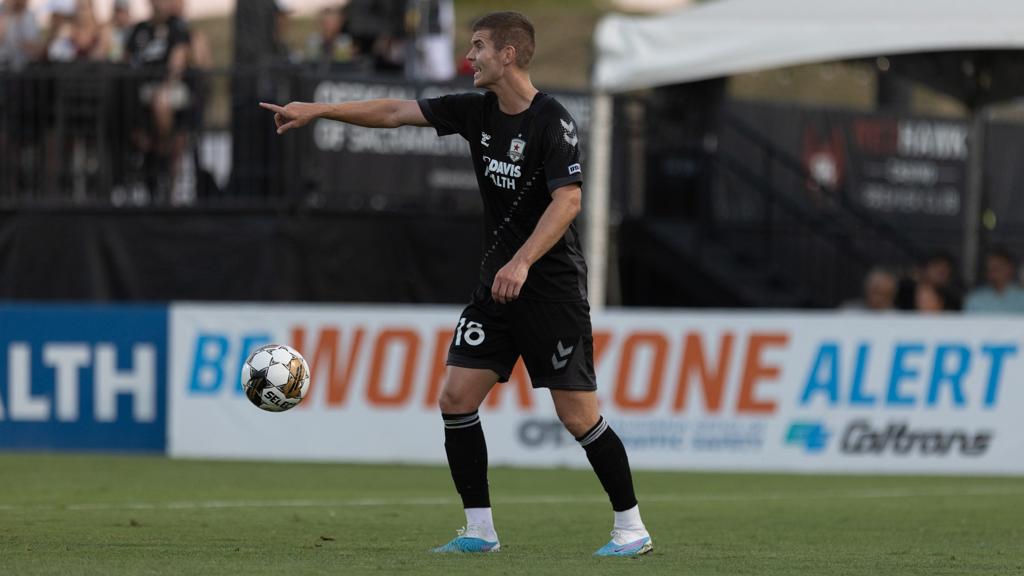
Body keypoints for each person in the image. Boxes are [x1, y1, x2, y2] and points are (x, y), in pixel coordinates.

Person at [259, 11, 653, 557]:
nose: (469, 57)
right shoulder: (476, 110)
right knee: (455, 397)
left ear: (508, 54)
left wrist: (521, 262)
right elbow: (395, 112)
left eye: (479, 47)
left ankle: (631, 529)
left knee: (577, 416)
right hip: (496, 289)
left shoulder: (552, 121)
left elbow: (569, 201)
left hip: (550, 290)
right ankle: (480, 531)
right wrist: (320, 110)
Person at [964, 246, 1024, 314]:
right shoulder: (975, 299)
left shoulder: (1022, 297)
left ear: (1011, 268)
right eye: (991, 268)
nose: (995, 272)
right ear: (986, 272)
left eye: (999, 267)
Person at [0, 0, 42, 72]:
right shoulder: (2, 13)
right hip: (4, 67)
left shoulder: (29, 15)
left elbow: (35, 49)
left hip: (24, 68)